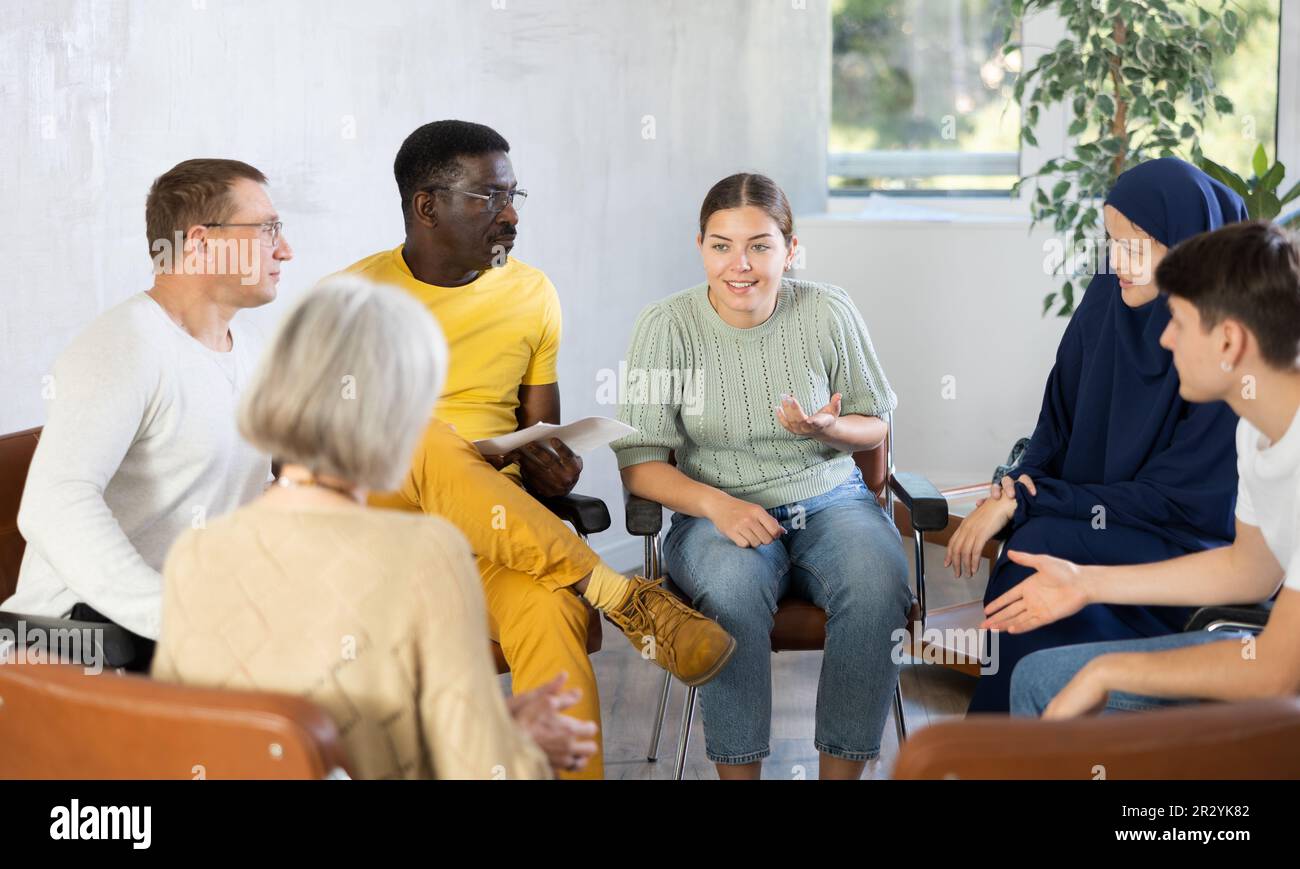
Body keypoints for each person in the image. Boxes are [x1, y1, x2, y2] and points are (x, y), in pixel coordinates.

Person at [343, 120, 734, 779]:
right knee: (421, 434)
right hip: (385, 532)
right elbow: (294, 453)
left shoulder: (532, 293)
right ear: (427, 205)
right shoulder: (351, 300)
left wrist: (554, 470)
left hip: (494, 534)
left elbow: (537, 434)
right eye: (489, 197)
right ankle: (618, 591)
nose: (511, 214)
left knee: (551, 608)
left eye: (513, 193)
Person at [153, 276, 591, 779]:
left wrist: (491, 723)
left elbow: (245, 742)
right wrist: (523, 748)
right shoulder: (425, 553)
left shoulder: (198, 551)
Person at [615, 173, 912, 780]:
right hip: (717, 511)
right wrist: (717, 506)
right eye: (721, 245)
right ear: (699, 246)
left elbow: (874, 423)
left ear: (791, 248)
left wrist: (828, 431)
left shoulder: (828, 308)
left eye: (760, 245)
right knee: (729, 592)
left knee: (878, 580)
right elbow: (640, 464)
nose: (739, 265)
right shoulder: (665, 326)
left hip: (831, 501)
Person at [947, 158, 1248, 712]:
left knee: (1038, 543)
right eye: (1110, 242)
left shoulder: (1222, 345)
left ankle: (1004, 743)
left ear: (1185, 250)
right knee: (1034, 551)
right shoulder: (1106, 299)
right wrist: (1016, 489)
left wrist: (1032, 502)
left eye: (1135, 246)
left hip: (1181, 539)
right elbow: (1053, 426)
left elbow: (1176, 502)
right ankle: (1016, 740)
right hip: (1098, 518)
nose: (1116, 262)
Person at [982, 221, 1300, 718]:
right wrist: (1086, 583)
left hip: (1281, 671)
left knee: (1057, 680)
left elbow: (1278, 670)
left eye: (1177, 319)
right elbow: (1250, 571)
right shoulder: (1257, 430)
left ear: (1229, 342)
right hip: (1272, 653)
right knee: (1039, 675)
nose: (1165, 338)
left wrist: (1108, 671)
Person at [3, 159, 292, 669]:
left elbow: (240, 494)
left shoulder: (250, 349)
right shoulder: (124, 345)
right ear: (201, 243)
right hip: (80, 635)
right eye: (267, 229)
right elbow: (53, 504)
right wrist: (178, 618)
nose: (285, 249)